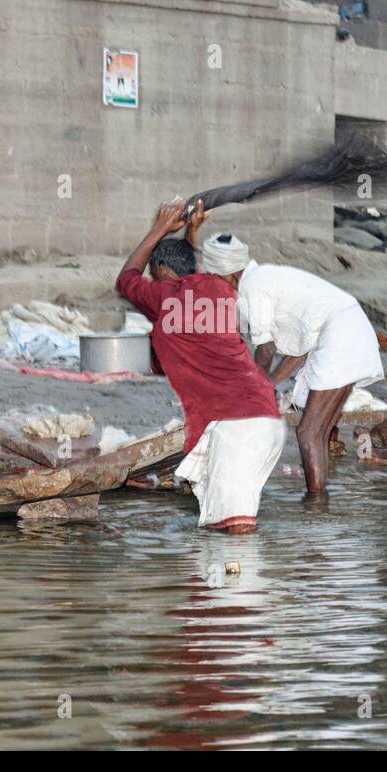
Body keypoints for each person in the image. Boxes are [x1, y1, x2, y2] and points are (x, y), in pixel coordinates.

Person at [116, 200, 285, 534]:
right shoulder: (218, 290)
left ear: (163, 275)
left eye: (156, 277)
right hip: (260, 420)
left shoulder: (164, 295)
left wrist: (160, 227)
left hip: (235, 428)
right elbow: (189, 277)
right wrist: (191, 232)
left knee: (235, 534)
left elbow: (126, 279)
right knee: (216, 528)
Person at [200, 230, 384, 494]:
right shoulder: (264, 276)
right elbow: (298, 350)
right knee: (316, 433)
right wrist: (268, 385)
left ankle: (316, 508)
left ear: (225, 276)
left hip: (342, 335)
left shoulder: (253, 287)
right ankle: (320, 506)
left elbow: (265, 349)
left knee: (308, 433)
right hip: (350, 329)